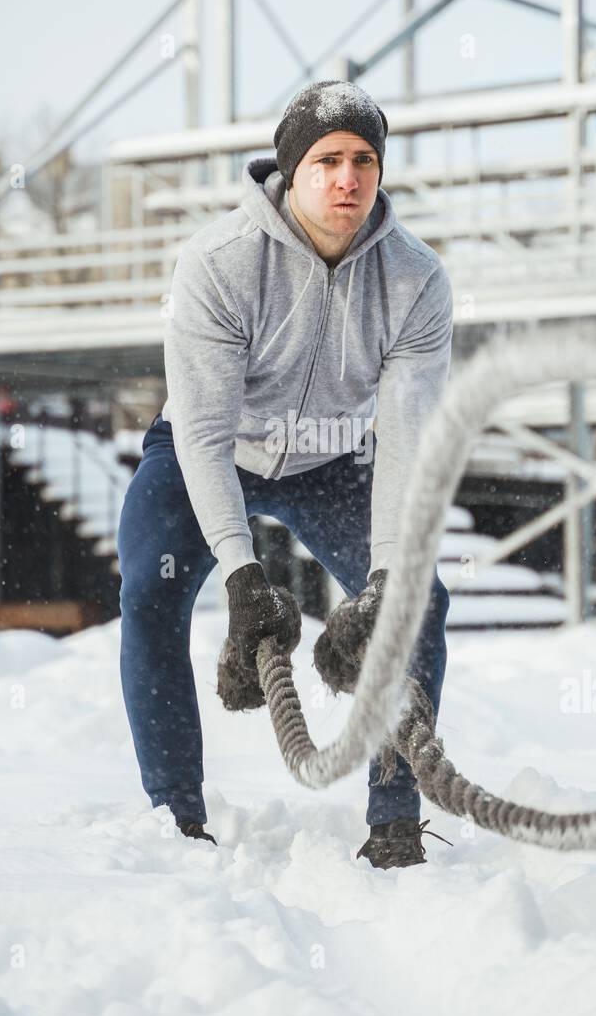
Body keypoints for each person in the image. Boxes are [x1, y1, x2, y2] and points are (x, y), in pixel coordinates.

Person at [117, 80, 454, 869]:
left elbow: (408, 438)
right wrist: (241, 576)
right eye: (328, 160)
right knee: (149, 589)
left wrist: (382, 579)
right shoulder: (220, 262)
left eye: (365, 160)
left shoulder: (416, 280)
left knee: (419, 600)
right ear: (291, 170)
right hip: (208, 450)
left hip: (333, 457)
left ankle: (395, 821)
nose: (348, 178)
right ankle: (177, 817)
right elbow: (200, 431)